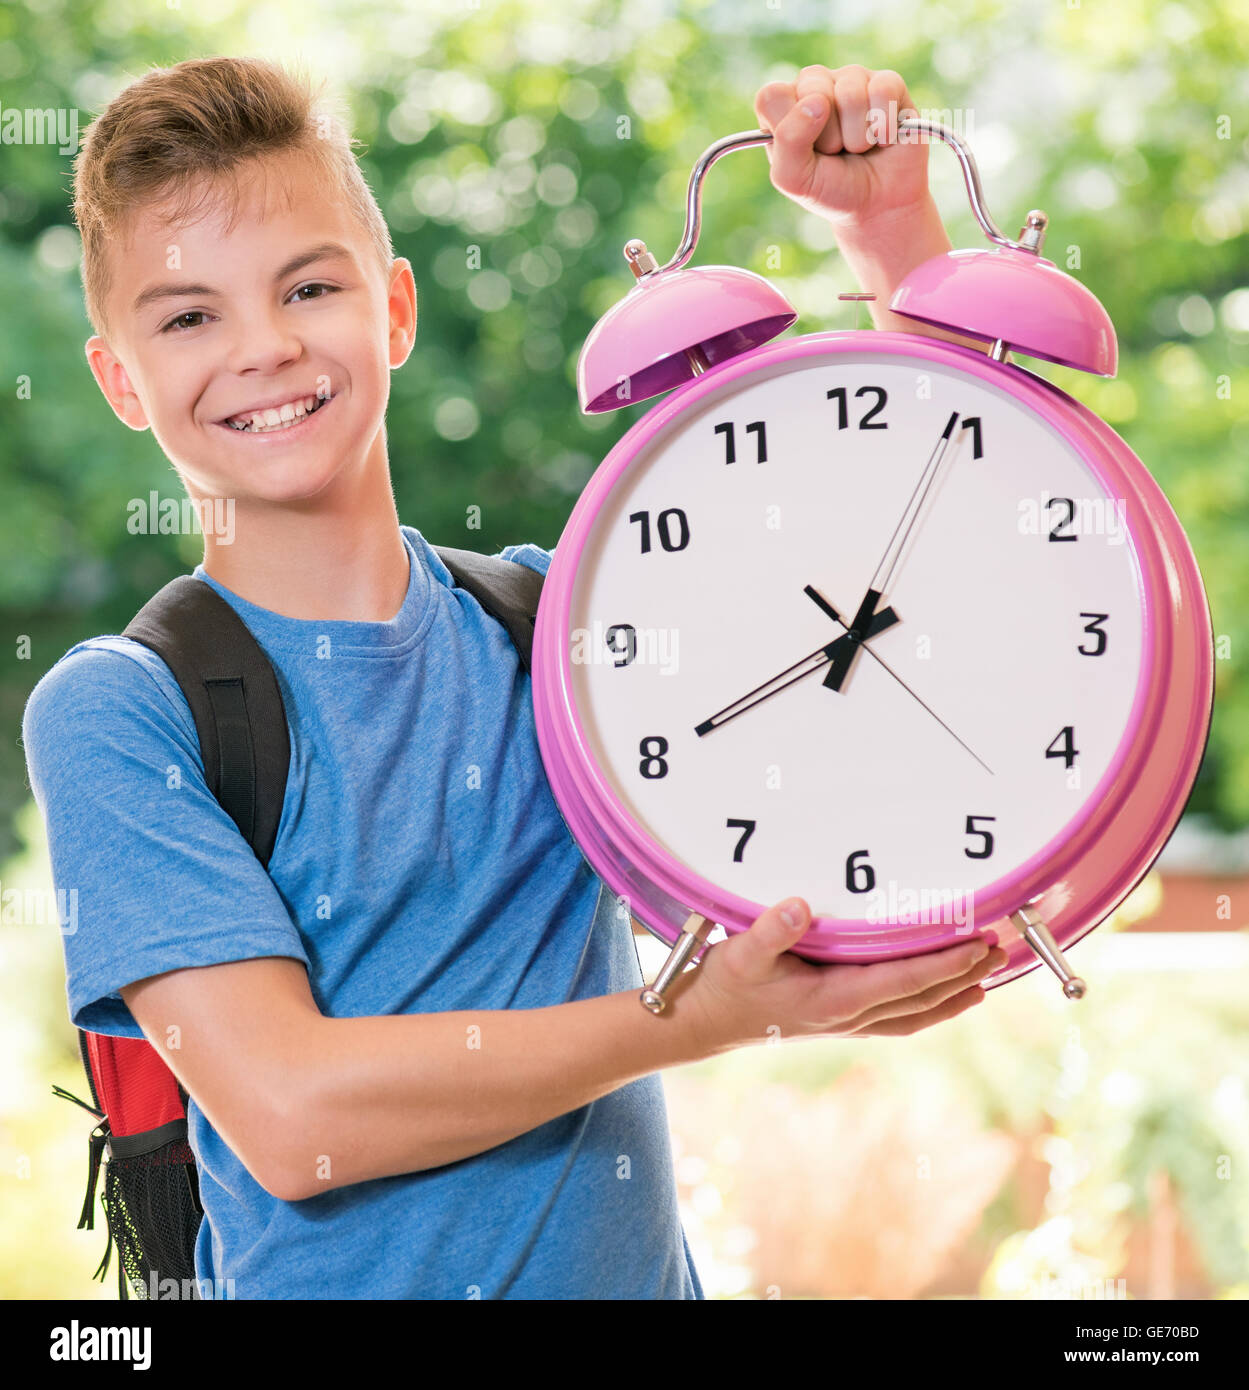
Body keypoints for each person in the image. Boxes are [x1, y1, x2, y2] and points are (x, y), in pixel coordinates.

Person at [21, 56, 1007, 1299]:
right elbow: (291, 1113)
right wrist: (698, 1020)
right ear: (121, 379)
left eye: (307, 287)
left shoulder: (564, 618)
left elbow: (903, 569)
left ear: (393, 310)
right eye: (187, 316)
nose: (262, 347)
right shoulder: (122, 710)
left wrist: (887, 231)